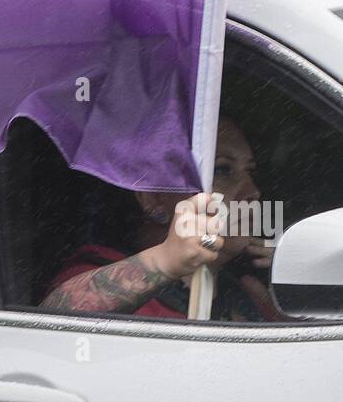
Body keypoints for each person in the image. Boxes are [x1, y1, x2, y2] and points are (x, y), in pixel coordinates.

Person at [40, 115, 281, 321]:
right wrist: (165, 261)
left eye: (249, 171)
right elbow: (53, 320)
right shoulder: (97, 270)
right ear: (154, 199)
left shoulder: (245, 294)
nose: (252, 192)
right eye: (222, 170)